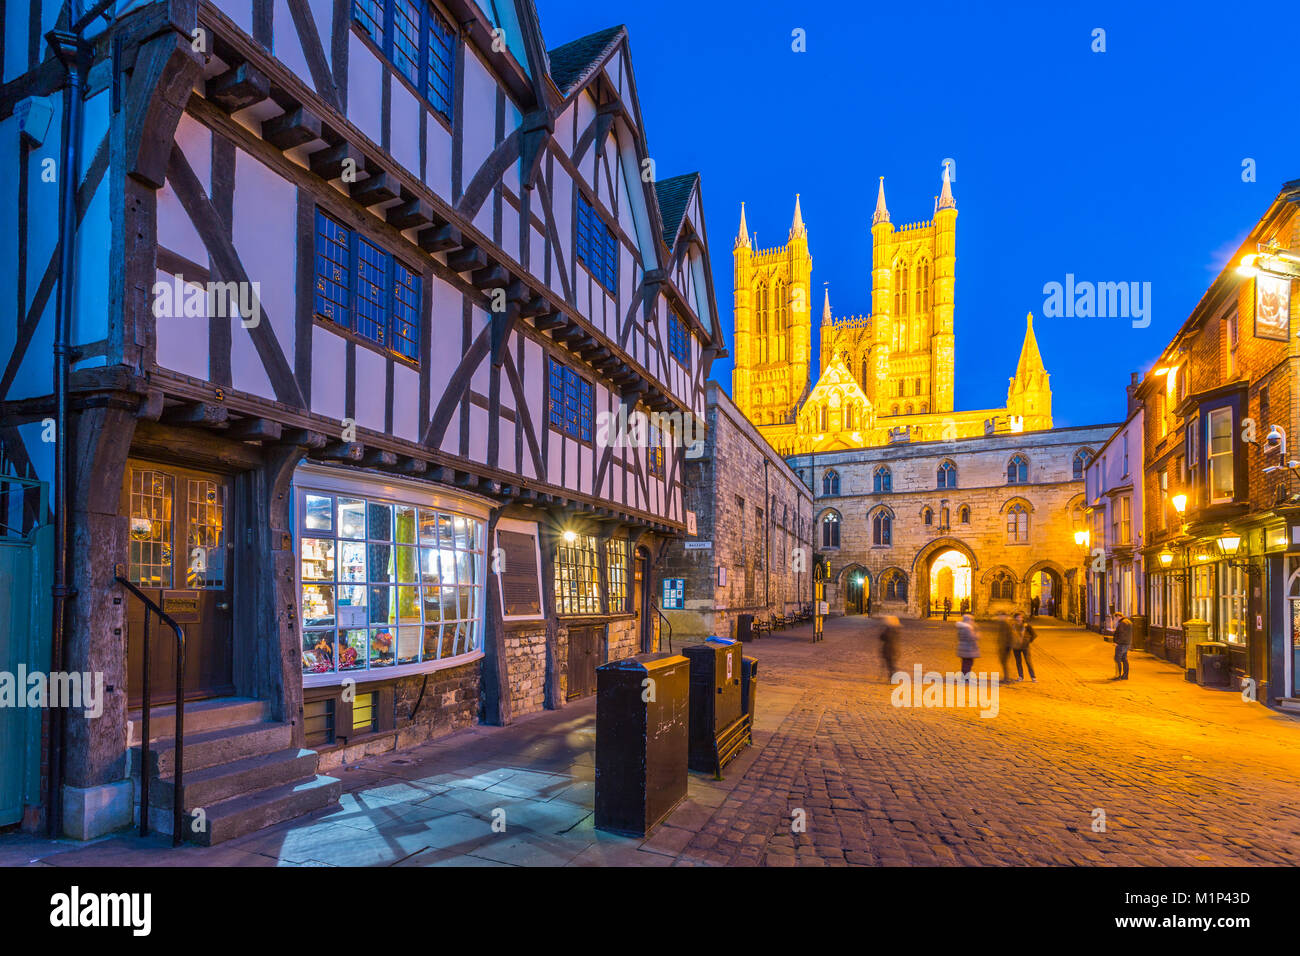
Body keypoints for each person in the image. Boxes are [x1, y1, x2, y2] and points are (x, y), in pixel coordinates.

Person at [1012, 613, 1038, 682]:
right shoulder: (1012, 626)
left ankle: (1033, 677)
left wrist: (1028, 641)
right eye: (1017, 617)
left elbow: (1034, 634)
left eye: (1020, 617)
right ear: (1015, 618)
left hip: (1025, 647)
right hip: (1016, 647)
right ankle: (1021, 676)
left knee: (1028, 661)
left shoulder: (1026, 626)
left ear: (1022, 618)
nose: (1019, 619)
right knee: (1018, 662)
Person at [879, 614, 901, 680]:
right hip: (895, 649)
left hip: (889, 650)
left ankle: (893, 676)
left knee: (890, 665)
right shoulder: (896, 630)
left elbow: (882, 637)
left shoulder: (889, 630)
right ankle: (893, 676)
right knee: (892, 664)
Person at [995, 612, 1016, 682]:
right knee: (1004, 662)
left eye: (1001, 616)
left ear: (1004, 616)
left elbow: (1006, 637)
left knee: (1004, 662)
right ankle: (1006, 677)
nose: (999, 617)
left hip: (1005, 647)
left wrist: (1003, 646)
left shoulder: (1005, 624)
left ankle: (1007, 678)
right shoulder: (1003, 624)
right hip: (1004, 646)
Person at [1111, 613, 1132, 680]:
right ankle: (1125, 675)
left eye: (1115, 618)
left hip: (1121, 644)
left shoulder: (1122, 623)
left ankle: (1118, 675)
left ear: (1118, 616)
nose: (1115, 620)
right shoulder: (1128, 622)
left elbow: (1121, 634)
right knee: (1124, 659)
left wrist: (1117, 642)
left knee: (1117, 659)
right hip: (1127, 643)